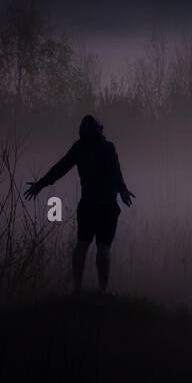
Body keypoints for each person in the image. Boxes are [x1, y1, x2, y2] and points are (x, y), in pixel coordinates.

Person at [24, 114, 135, 293]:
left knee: (82, 245)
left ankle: (77, 289)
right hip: (106, 205)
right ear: (99, 130)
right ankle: (102, 292)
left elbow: (60, 168)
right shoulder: (107, 147)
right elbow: (116, 172)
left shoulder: (79, 148)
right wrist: (122, 189)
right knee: (103, 248)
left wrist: (40, 184)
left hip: (88, 205)